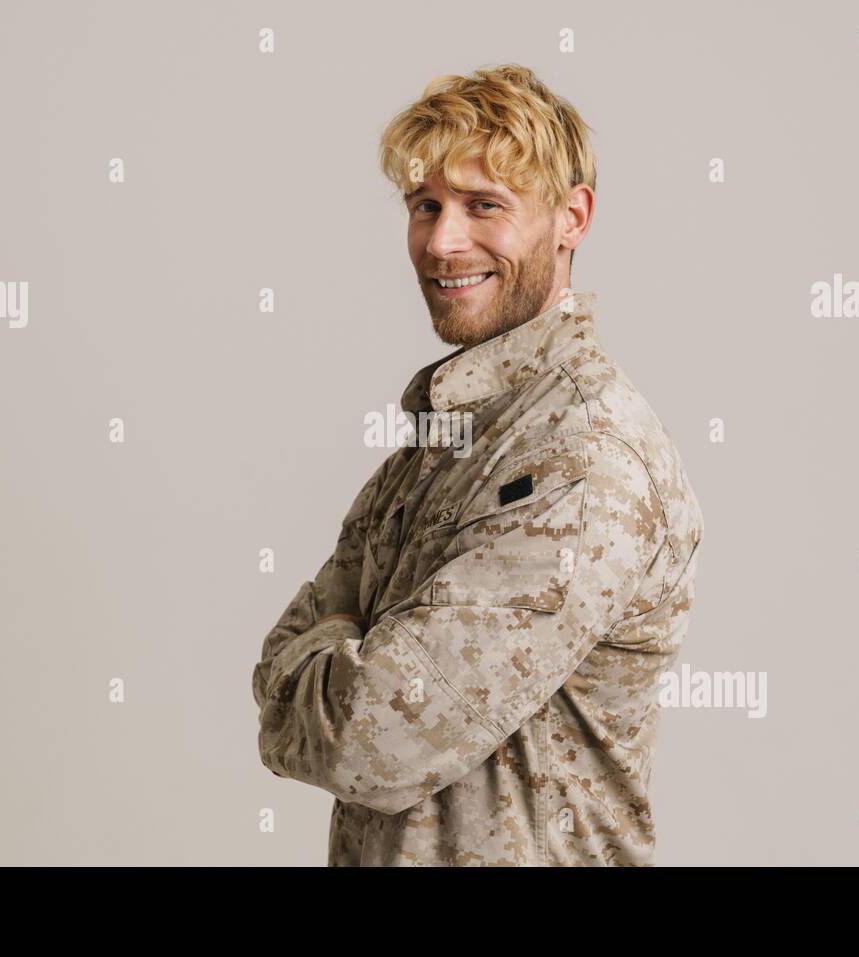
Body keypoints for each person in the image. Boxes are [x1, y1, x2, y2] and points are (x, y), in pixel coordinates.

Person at [252, 63, 704, 866]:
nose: (441, 241)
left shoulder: (583, 453)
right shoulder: (445, 439)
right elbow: (275, 672)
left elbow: (369, 739)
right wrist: (336, 659)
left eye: (484, 205)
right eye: (425, 206)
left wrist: (339, 648)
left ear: (572, 218)